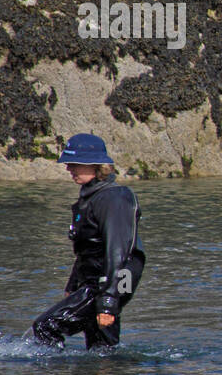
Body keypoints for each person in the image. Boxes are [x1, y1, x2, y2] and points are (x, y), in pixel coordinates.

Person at [31, 135, 145, 349]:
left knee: (46, 327)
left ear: (96, 165)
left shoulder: (115, 198)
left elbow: (118, 251)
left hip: (117, 279)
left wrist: (109, 301)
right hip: (97, 280)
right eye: (68, 164)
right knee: (101, 347)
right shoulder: (91, 198)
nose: (68, 169)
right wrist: (73, 284)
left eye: (74, 164)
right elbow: (87, 248)